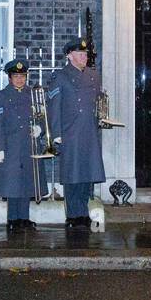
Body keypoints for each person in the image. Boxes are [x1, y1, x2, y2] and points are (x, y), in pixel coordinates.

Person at [47, 38, 105, 228]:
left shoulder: (93, 75)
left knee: (86, 174)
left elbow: (98, 103)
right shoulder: (61, 76)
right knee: (73, 175)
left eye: (85, 54)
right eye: (80, 54)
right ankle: (73, 215)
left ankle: (83, 212)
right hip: (70, 132)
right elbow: (54, 107)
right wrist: (56, 133)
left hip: (88, 131)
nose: (84, 57)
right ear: (69, 56)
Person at [0, 58, 44, 232]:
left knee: (27, 181)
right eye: (16, 76)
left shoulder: (33, 94)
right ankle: (12, 219)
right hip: (10, 145)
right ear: (9, 77)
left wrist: (39, 128)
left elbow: (42, 116)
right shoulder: (2, 96)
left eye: (22, 76)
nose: (20, 79)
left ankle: (24, 218)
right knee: (12, 183)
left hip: (29, 144)